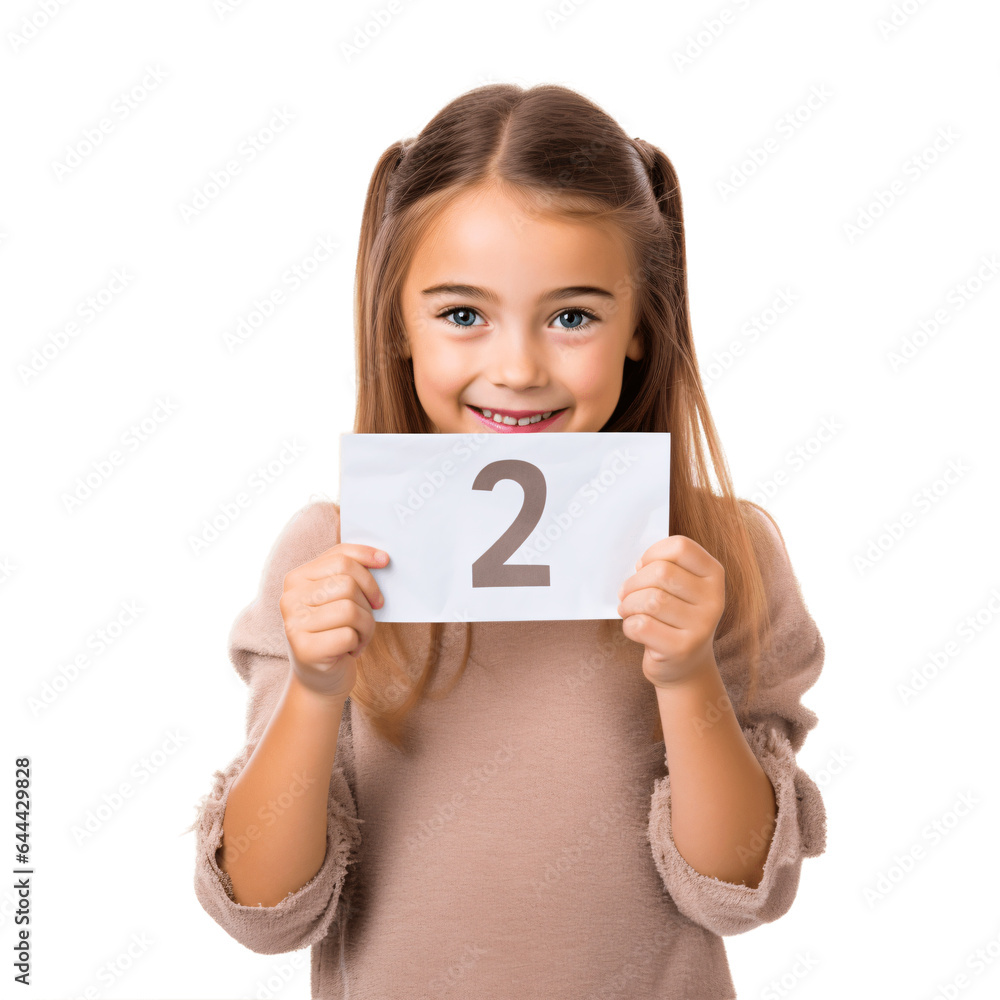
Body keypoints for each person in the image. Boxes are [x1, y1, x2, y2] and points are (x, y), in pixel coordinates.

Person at [189, 82, 827, 999]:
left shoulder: (720, 554)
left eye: (572, 316)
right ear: (398, 325)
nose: (518, 368)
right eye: (462, 315)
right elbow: (264, 908)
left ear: (642, 324)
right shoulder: (329, 554)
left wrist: (687, 675)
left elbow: (738, 892)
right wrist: (316, 688)